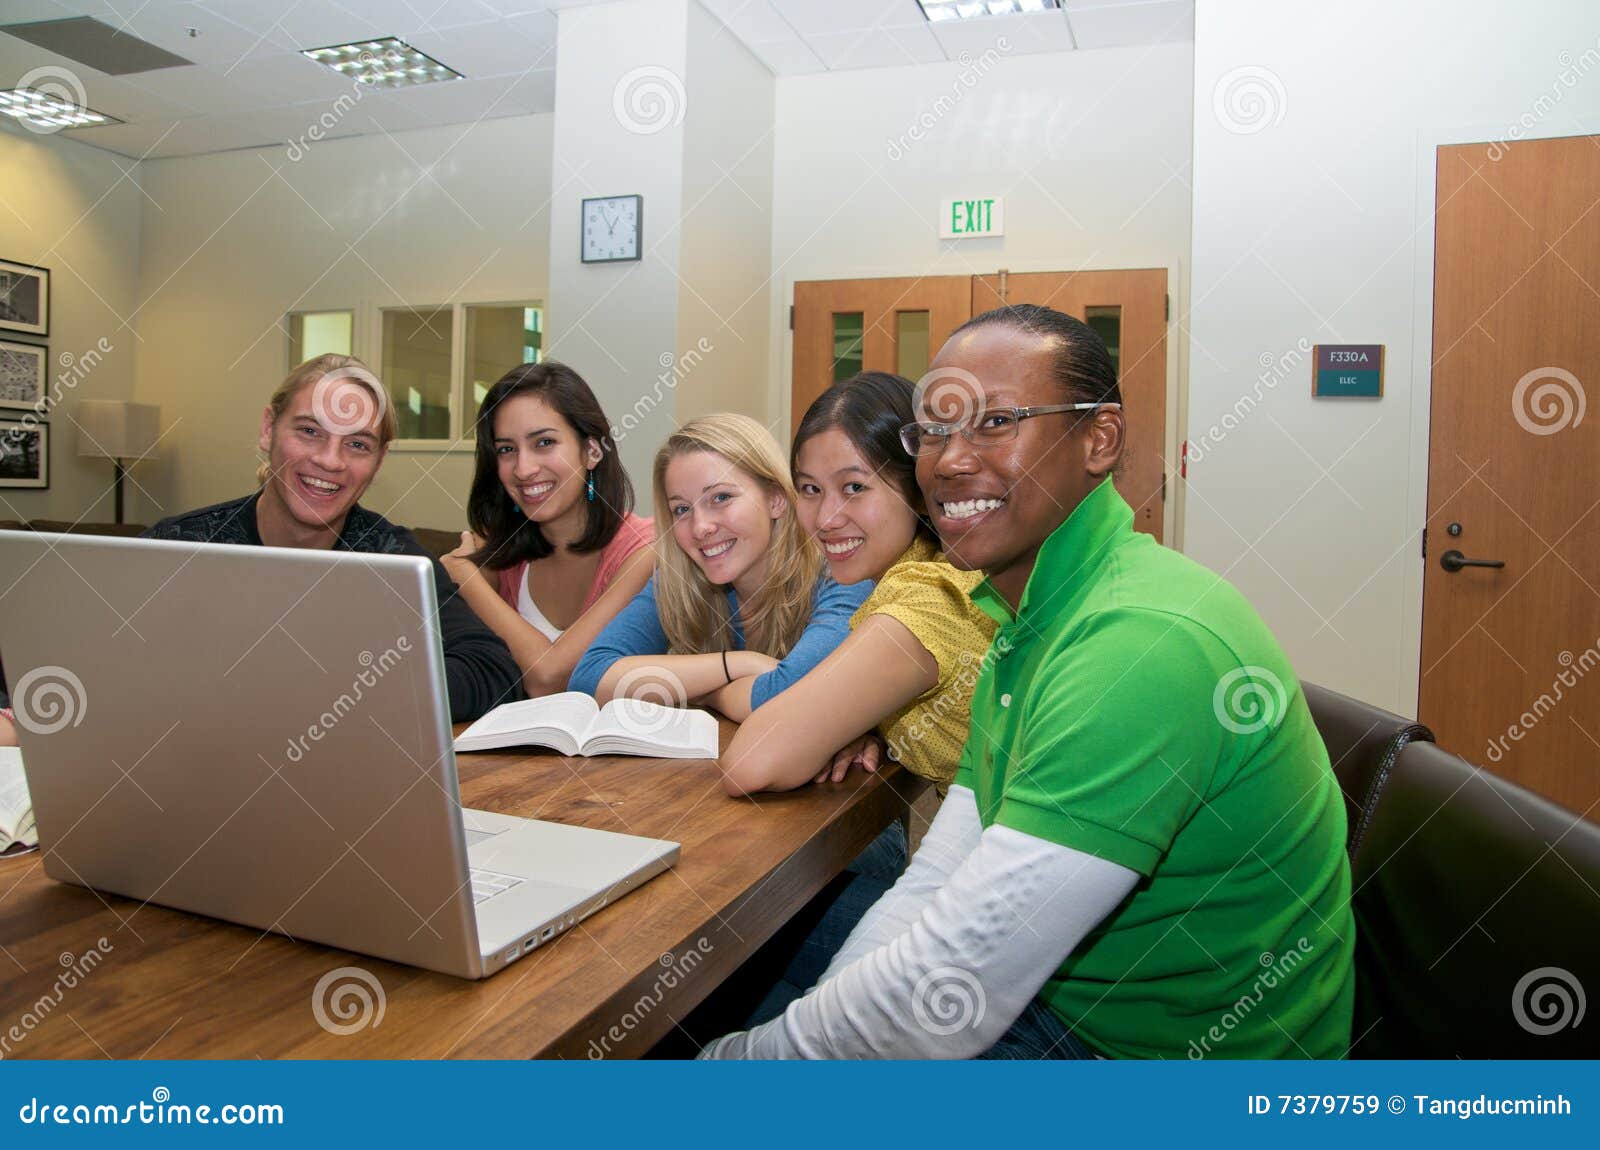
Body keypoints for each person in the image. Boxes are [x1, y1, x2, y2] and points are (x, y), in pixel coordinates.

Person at [701, 305, 1355, 1060]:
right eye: (934, 431)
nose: (951, 461)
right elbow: (938, 877)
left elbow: (942, 1003)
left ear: (1099, 440)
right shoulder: (1027, 612)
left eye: (996, 422)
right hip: (1064, 1001)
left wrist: (733, 1069)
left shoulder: (1136, 645)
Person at [123, 355, 518, 725]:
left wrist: (343, 690)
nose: (330, 460)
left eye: (357, 444)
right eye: (310, 431)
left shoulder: (392, 561)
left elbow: (492, 671)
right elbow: (103, 658)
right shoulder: (179, 548)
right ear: (268, 429)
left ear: (379, 460)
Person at [720, 372, 995, 794]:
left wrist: (711, 693)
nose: (826, 518)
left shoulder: (927, 601)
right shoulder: (925, 575)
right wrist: (863, 726)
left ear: (919, 489)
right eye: (810, 488)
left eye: (854, 487)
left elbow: (750, 764)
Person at [568, 413, 870, 721]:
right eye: (681, 509)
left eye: (721, 497)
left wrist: (705, 692)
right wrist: (736, 665)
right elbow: (589, 678)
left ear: (775, 499)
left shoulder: (841, 576)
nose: (700, 527)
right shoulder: (679, 580)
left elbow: (791, 696)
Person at [439, 363, 654, 698]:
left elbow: (550, 678)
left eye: (544, 442)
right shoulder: (498, 549)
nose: (523, 469)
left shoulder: (644, 549)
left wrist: (465, 577)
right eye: (506, 449)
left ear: (592, 451)